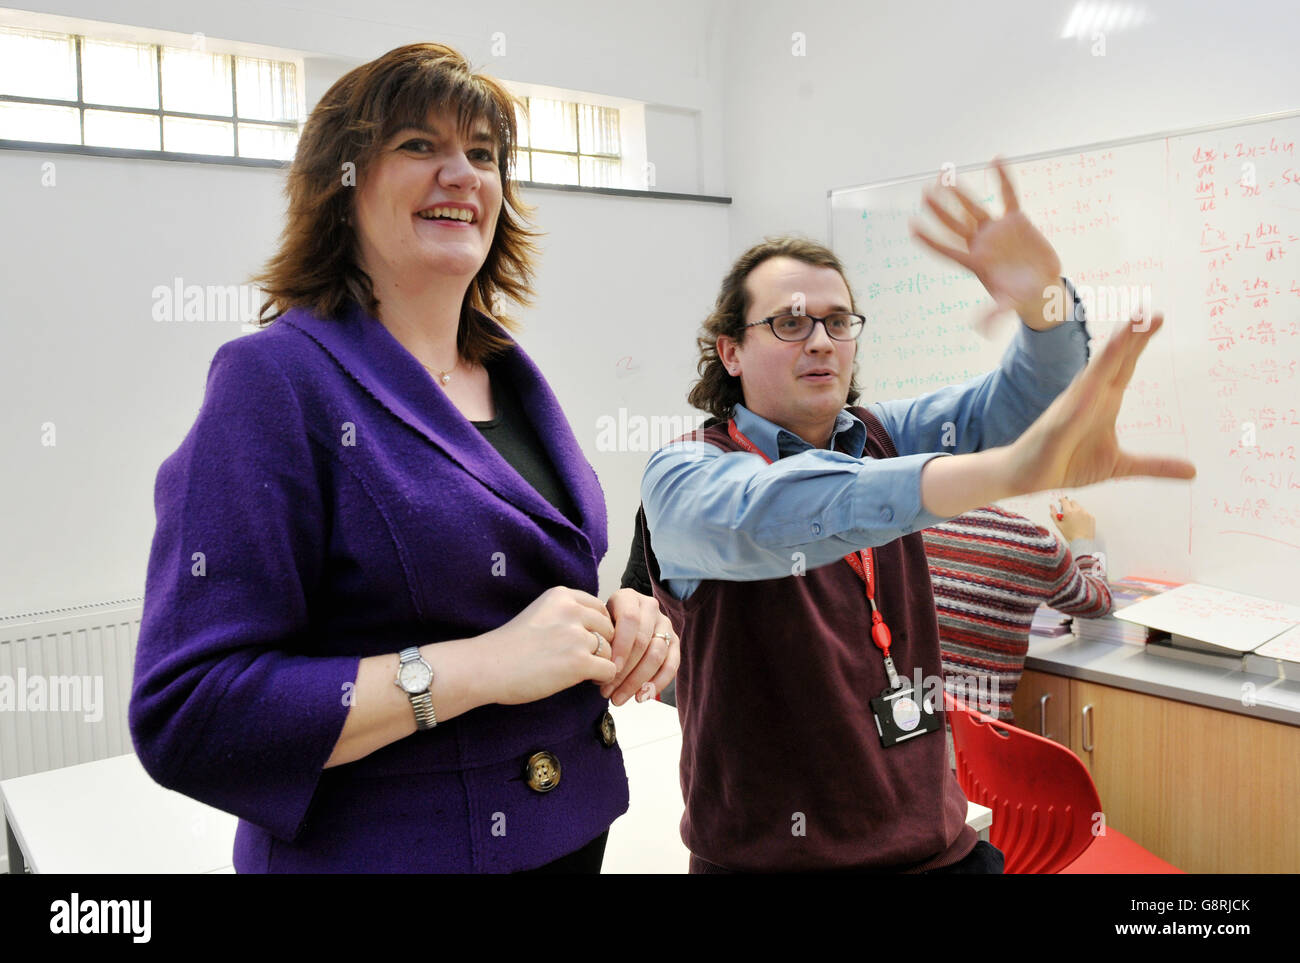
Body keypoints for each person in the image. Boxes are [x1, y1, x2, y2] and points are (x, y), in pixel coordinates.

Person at [128, 43, 677, 874]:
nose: (463, 174)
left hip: (573, 834)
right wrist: (479, 668)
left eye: (484, 155)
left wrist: (617, 623)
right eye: (420, 145)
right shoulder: (273, 381)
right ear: (340, 189)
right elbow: (195, 712)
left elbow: (506, 591)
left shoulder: (510, 376)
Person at [637, 164, 1195, 874]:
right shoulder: (685, 472)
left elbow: (1029, 404)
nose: (820, 340)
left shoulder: (883, 432)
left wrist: (1045, 307)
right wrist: (1002, 471)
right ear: (731, 350)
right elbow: (775, 513)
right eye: (789, 321)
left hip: (941, 847)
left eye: (838, 321)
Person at [923, 497, 1111, 725]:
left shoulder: (899, 532)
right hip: (980, 744)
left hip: (902, 733)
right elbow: (1098, 600)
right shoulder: (1028, 540)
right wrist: (1082, 539)